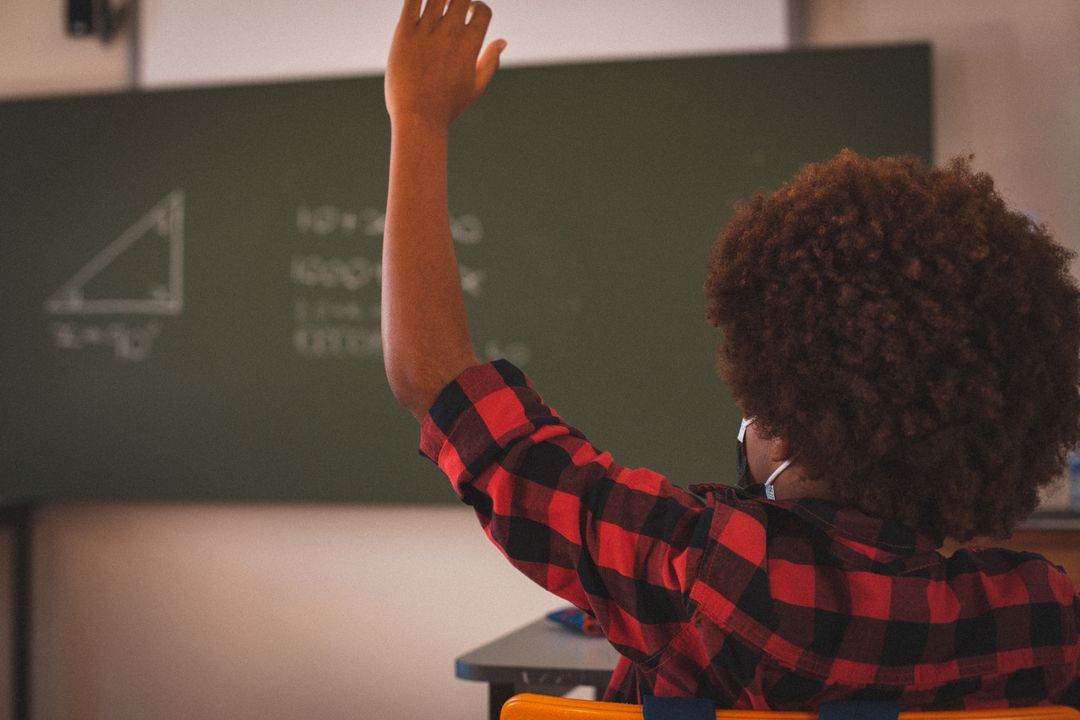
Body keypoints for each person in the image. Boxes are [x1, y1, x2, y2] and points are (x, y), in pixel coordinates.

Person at [381, 0, 1080, 709]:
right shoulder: (1039, 618)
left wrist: (417, 121)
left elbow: (439, 385)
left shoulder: (703, 571)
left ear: (789, 423)